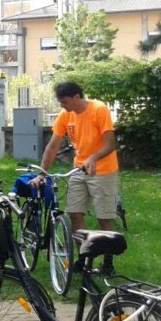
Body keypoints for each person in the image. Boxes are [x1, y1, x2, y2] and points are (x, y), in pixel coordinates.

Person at [34, 81, 120, 232]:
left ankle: (109, 253)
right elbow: (52, 147)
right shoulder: (65, 115)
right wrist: (42, 173)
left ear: (77, 97)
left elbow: (110, 144)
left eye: (65, 102)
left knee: (104, 217)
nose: (62, 106)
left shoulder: (98, 109)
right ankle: (83, 253)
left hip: (103, 170)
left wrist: (93, 158)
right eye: (60, 102)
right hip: (79, 169)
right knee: (74, 213)